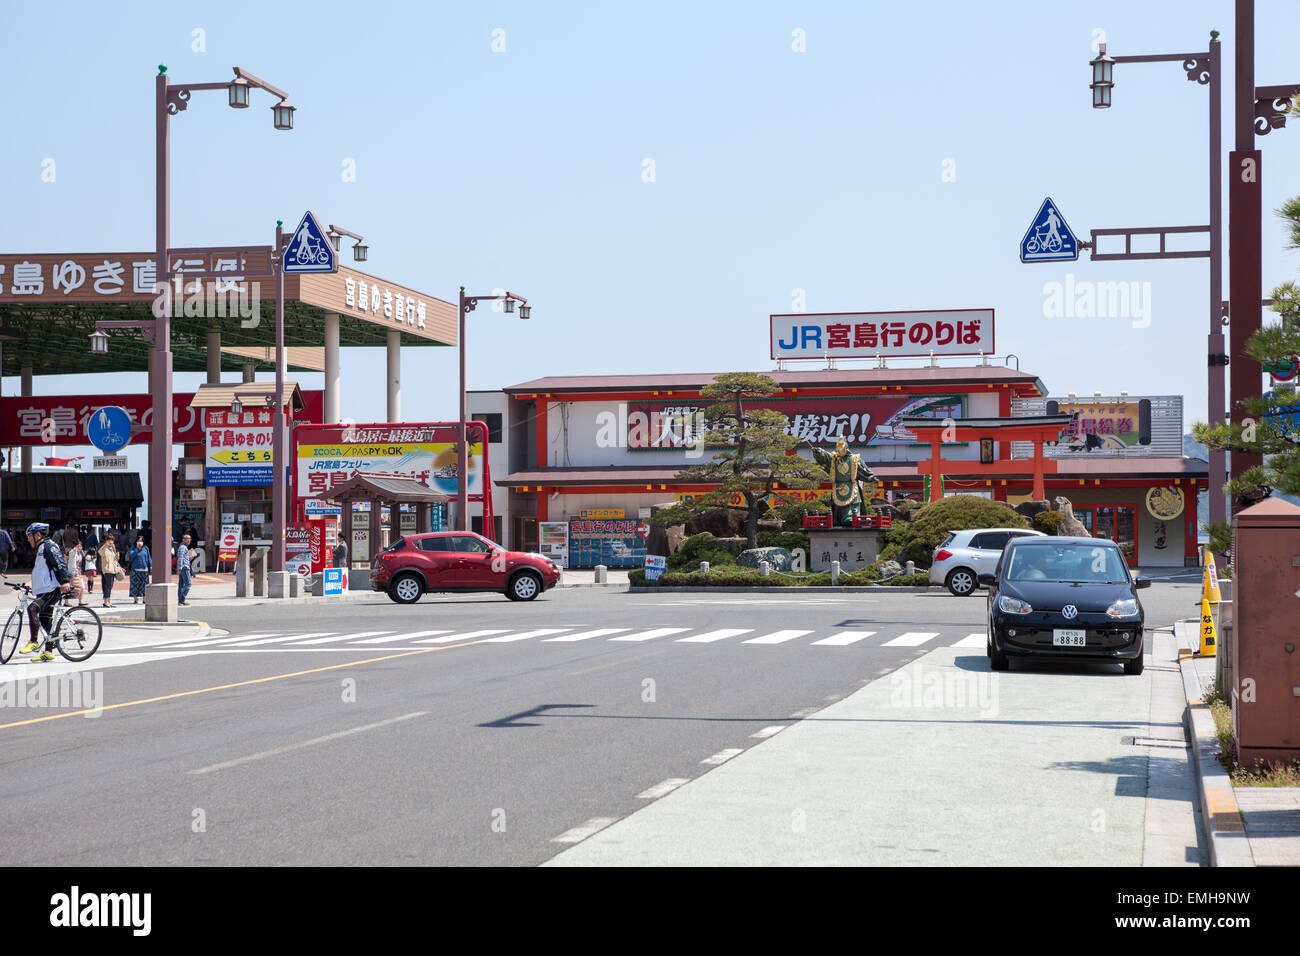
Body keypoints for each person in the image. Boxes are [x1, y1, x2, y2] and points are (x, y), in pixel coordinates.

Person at [18, 523, 70, 663]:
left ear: (38, 535)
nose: (28, 539)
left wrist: (65, 581)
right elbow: (42, 571)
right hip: (44, 589)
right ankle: (48, 651)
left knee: (32, 608)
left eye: (29, 535)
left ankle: (33, 641)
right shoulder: (42, 547)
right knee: (45, 619)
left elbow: (59, 563)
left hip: (51, 590)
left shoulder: (49, 546)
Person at [127, 534, 152, 604]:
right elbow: (132, 556)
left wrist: (151, 565)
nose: (140, 542)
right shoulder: (133, 548)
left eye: (141, 541)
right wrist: (137, 549)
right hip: (135, 569)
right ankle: (135, 599)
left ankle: (144, 599)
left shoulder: (146, 548)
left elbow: (148, 557)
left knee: (145, 585)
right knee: (135, 584)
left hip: (144, 569)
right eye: (138, 541)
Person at [98, 534, 121, 607]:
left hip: (112, 569)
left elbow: (115, 560)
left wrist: (116, 554)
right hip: (107, 569)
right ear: (106, 541)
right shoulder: (104, 548)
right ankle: (105, 601)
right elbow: (100, 552)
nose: (111, 542)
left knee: (110, 586)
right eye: (109, 540)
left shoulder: (111, 549)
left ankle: (108, 600)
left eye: (112, 540)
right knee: (107, 586)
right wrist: (105, 545)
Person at [176, 532, 195, 606]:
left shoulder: (184, 547)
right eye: (187, 539)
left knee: (181, 584)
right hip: (184, 568)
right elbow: (180, 558)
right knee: (188, 584)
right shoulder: (183, 547)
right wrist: (179, 568)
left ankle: (181, 601)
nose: (189, 540)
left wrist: (190, 558)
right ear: (183, 539)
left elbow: (184, 558)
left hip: (184, 566)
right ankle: (181, 599)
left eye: (190, 539)